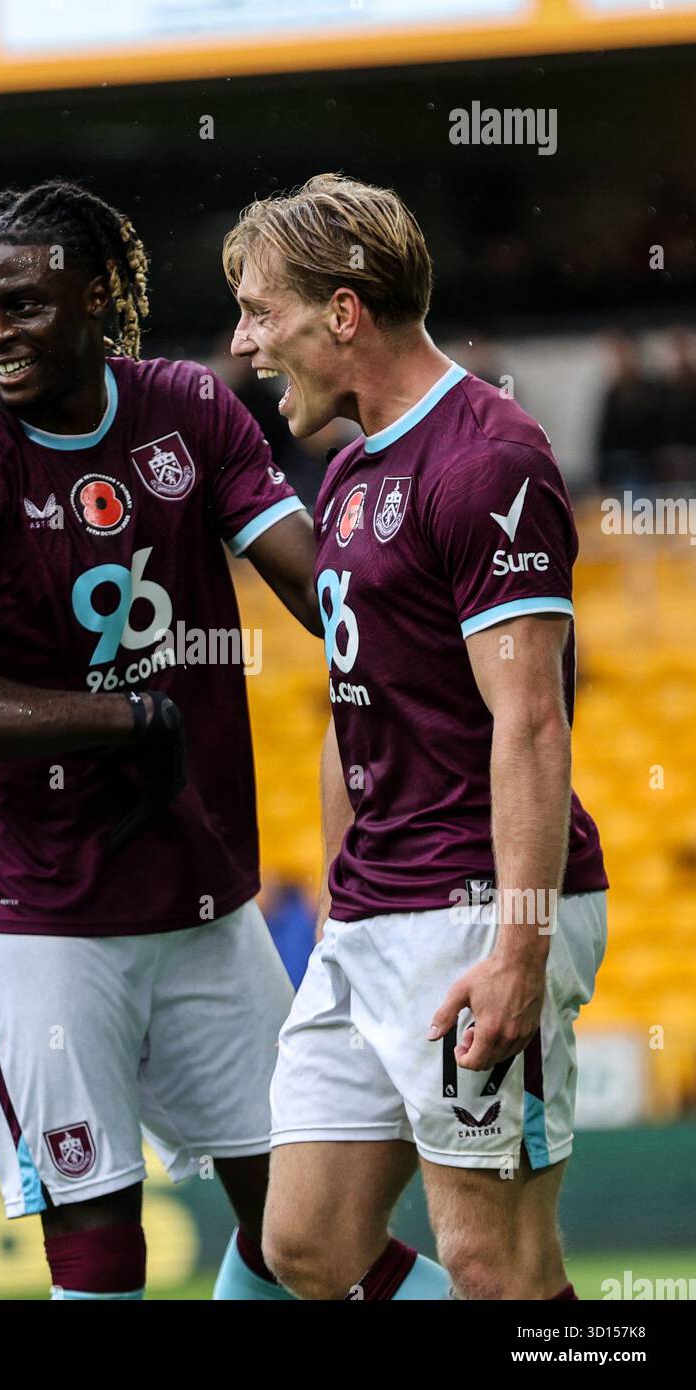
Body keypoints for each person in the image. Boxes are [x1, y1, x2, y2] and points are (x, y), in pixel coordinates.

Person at [0, 180, 321, 1301]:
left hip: (199, 883)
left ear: (101, 296)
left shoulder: (190, 410)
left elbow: (321, 591)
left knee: (311, 1229)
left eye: (23, 306)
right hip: (41, 911)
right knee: (99, 1241)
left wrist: (450, 627)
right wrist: (126, 717)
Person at [224, 173, 608, 1301]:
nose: (246, 342)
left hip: (482, 907)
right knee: (302, 1242)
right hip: (375, 915)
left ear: (343, 312)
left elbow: (532, 719)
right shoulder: (344, 475)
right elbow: (358, 715)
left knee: (497, 1264)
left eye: (261, 310)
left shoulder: (489, 457)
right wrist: (346, 907)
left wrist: (520, 949)